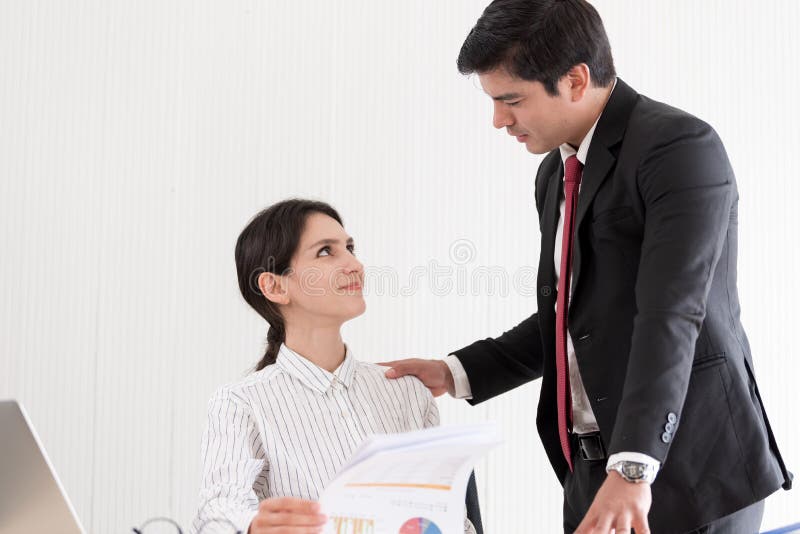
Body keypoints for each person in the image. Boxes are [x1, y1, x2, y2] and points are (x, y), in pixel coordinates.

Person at [381, 1, 792, 533]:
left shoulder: (679, 148)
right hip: (591, 471)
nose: (499, 120)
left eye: (511, 100)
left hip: (689, 469)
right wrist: (455, 372)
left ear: (575, 80)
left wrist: (633, 463)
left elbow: (671, 313)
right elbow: (569, 318)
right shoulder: (555, 173)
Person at [192, 199, 477, 534]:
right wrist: (253, 525)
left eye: (350, 247)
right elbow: (217, 511)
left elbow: (448, 518)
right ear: (275, 286)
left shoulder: (408, 392)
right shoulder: (242, 404)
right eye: (326, 251)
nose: (354, 264)